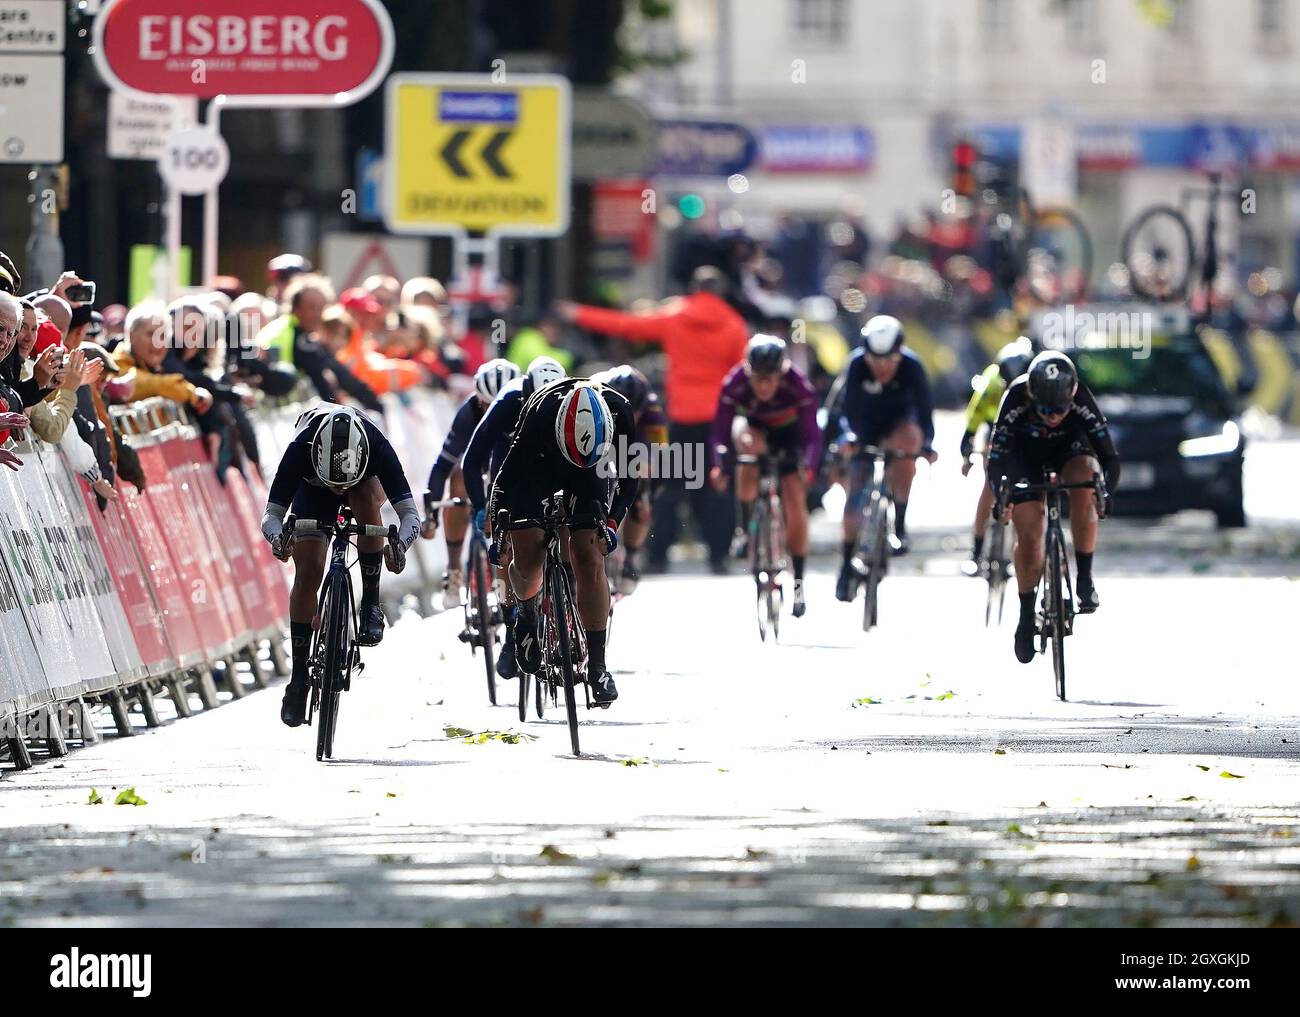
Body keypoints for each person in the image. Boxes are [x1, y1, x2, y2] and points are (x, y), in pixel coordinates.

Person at [556, 266, 749, 574]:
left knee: (669, 487)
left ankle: (658, 556)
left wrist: (578, 313)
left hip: (682, 416)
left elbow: (627, 325)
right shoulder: (734, 324)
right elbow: (742, 373)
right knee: (716, 485)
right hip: (716, 417)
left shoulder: (676, 315)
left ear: (693, 288)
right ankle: (719, 556)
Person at [260, 403, 421, 727]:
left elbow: (409, 515)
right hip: (311, 491)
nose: (339, 492)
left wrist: (400, 546)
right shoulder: (301, 448)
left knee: (363, 501)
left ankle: (371, 605)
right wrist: (279, 540)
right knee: (308, 574)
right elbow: (271, 516)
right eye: (334, 485)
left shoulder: (376, 446)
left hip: (364, 484)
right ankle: (299, 679)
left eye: (342, 485)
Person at [487, 379, 638, 706]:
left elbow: (629, 481)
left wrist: (611, 524)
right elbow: (504, 479)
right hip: (540, 465)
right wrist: (498, 531)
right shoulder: (539, 412)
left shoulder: (620, 412)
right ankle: (526, 617)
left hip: (591, 469)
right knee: (527, 555)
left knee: (589, 556)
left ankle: (598, 666)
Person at [987, 351, 1120, 664]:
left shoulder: (1082, 398)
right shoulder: (1015, 396)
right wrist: (1001, 496)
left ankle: (1085, 578)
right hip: (1025, 457)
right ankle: (1024, 615)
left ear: (1071, 396)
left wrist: (1107, 492)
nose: (1053, 416)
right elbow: (996, 459)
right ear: (1032, 395)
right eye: (1044, 409)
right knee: (1030, 537)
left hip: (1070, 450)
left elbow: (1109, 457)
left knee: (1086, 483)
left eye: (1060, 409)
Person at [461, 355, 567, 678]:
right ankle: (512, 628)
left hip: (556, 468)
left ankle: (569, 609)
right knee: (506, 550)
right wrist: (483, 508)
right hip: (510, 473)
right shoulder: (508, 402)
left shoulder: (569, 401)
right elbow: (472, 459)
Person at [708, 336, 820, 617]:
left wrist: (808, 466)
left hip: (789, 437)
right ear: (748, 371)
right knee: (748, 449)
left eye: (770, 379)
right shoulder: (733, 383)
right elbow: (719, 432)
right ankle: (744, 530)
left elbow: (813, 436)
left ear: (781, 373)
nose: (764, 386)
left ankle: (797, 583)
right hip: (753, 431)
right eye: (758, 379)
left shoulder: (798, 385)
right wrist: (719, 464)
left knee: (795, 501)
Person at [834, 314, 937, 601]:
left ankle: (899, 523)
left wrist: (927, 444)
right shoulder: (856, 365)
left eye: (888, 361)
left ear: (899, 354)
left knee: (909, 443)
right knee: (853, 503)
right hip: (863, 430)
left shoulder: (912, 367)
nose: (881, 368)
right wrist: (847, 438)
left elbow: (925, 412)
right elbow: (845, 412)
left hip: (897, 428)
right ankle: (845, 565)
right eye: (874, 361)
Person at [422, 358, 520, 608]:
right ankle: (454, 567)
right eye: (487, 405)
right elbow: (442, 465)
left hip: (509, 469)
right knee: (457, 481)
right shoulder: (468, 413)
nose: (494, 412)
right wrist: (431, 513)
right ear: (478, 398)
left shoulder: (523, 407)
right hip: (476, 468)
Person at [588, 364, 667, 595]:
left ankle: (631, 555)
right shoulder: (595, 391)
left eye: (634, 411)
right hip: (599, 429)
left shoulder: (651, 406)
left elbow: (661, 450)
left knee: (643, 470)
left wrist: (647, 495)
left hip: (635, 439)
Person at [255, 275, 385, 416]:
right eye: (312, 307)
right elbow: (330, 378)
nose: (318, 314)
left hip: (273, 413)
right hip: (276, 416)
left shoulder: (282, 328)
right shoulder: (300, 338)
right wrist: (373, 407)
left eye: (322, 308)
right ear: (295, 308)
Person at [959, 338, 1033, 574]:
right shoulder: (991, 381)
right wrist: (968, 443)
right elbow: (975, 412)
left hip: (1025, 427)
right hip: (994, 427)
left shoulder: (1035, 381)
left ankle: (1020, 546)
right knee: (989, 488)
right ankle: (976, 551)